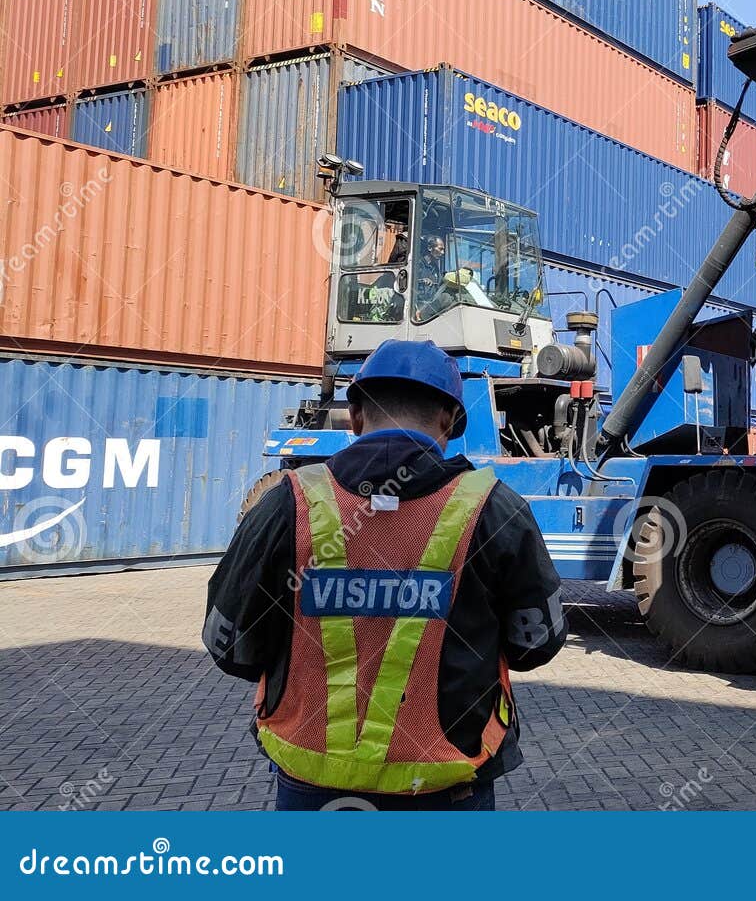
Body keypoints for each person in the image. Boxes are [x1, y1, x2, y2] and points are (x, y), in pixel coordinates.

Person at [204, 340, 567, 811]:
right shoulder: (495, 509)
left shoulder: (288, 503)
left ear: (355, 417)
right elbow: (535, 645)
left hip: (311, 787)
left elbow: (230, 646)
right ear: (448, 421)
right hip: (447, 788)